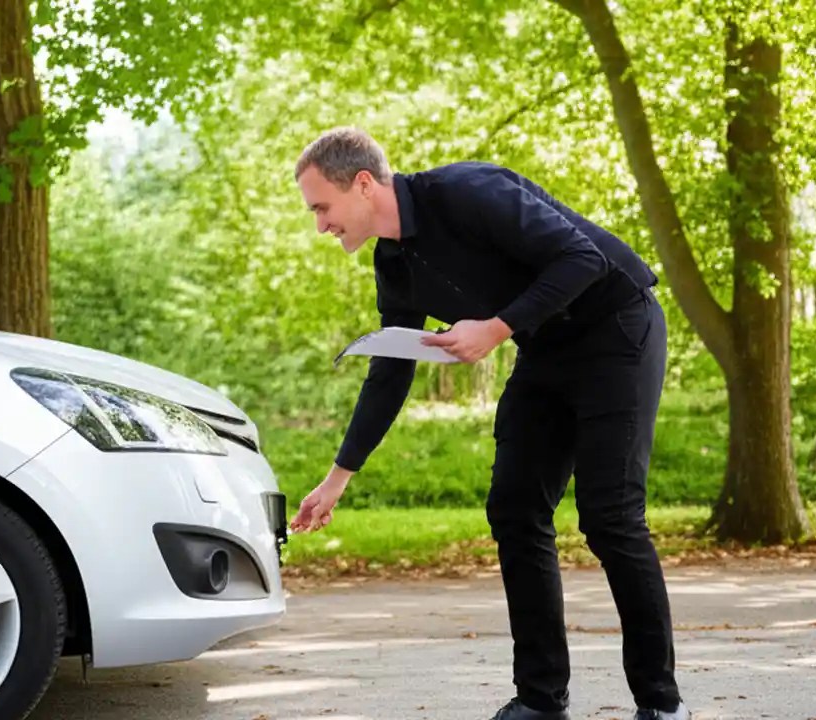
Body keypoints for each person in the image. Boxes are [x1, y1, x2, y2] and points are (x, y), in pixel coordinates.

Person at [288, 127, 690, 720]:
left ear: (364, 184)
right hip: (545, 351)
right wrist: (337, 478)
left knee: (610, 517)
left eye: (321, 207)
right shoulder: (394, 262)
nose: (320, 225)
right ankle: (540, 700)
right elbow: (390, 371)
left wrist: (495, 327)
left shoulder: (467, 191)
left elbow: (585, 257)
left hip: (617, 327)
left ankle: (662, 705)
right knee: (515, 508)